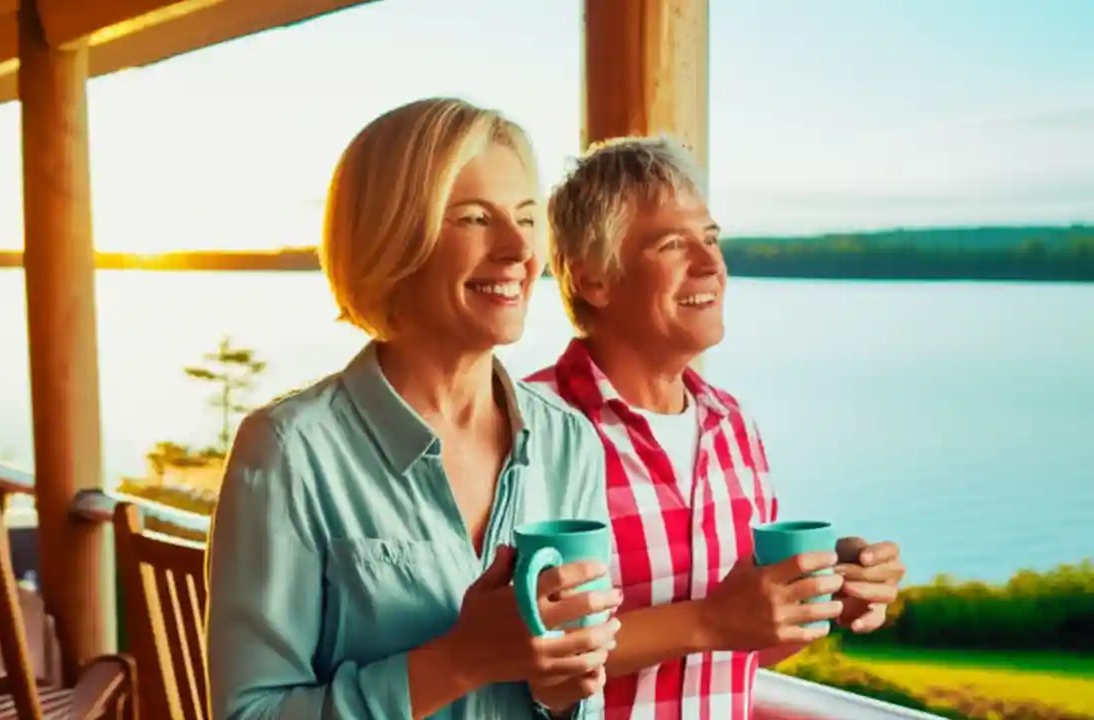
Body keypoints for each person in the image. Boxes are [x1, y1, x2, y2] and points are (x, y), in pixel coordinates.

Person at [205, 98, 623, 720]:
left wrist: (562, 695)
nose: (517, 249)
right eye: (475, 218)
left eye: (528, 218)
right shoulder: (290, 451)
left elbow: (579, 693)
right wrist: (462, 660)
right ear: (392, 237)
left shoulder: (570, 443)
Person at [525, 135, 907, 718]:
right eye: (673, 244)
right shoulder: (527, 427)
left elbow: (737, 650)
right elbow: (520, 656)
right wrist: (714, 620)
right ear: (594, 278)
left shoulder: (733, 427)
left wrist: (824, 601)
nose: (711, 265)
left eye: (711, 238)